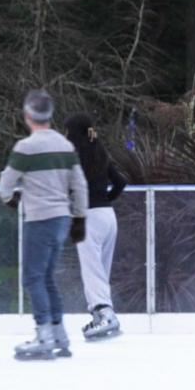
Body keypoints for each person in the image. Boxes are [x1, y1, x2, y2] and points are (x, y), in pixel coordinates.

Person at [0, 89, 89, 361]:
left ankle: (44, 335)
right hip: (62, 218)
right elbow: (79, 184)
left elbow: (6, 183)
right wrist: (80, 218)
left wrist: (9, 198)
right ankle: (59, 333)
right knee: (47, 277)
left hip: (39, 218)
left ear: (28, 116)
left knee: (33, 278)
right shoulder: (65, 145)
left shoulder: (25, 148)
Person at [64, 113, 128, 340]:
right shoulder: (101, 154)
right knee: (101, 269)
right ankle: (101, 315)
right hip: (108, 217)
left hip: (89, 218)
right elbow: (120, 183)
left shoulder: (74, 157)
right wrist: (104, 200)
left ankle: (104, 313)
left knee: (91, 269)